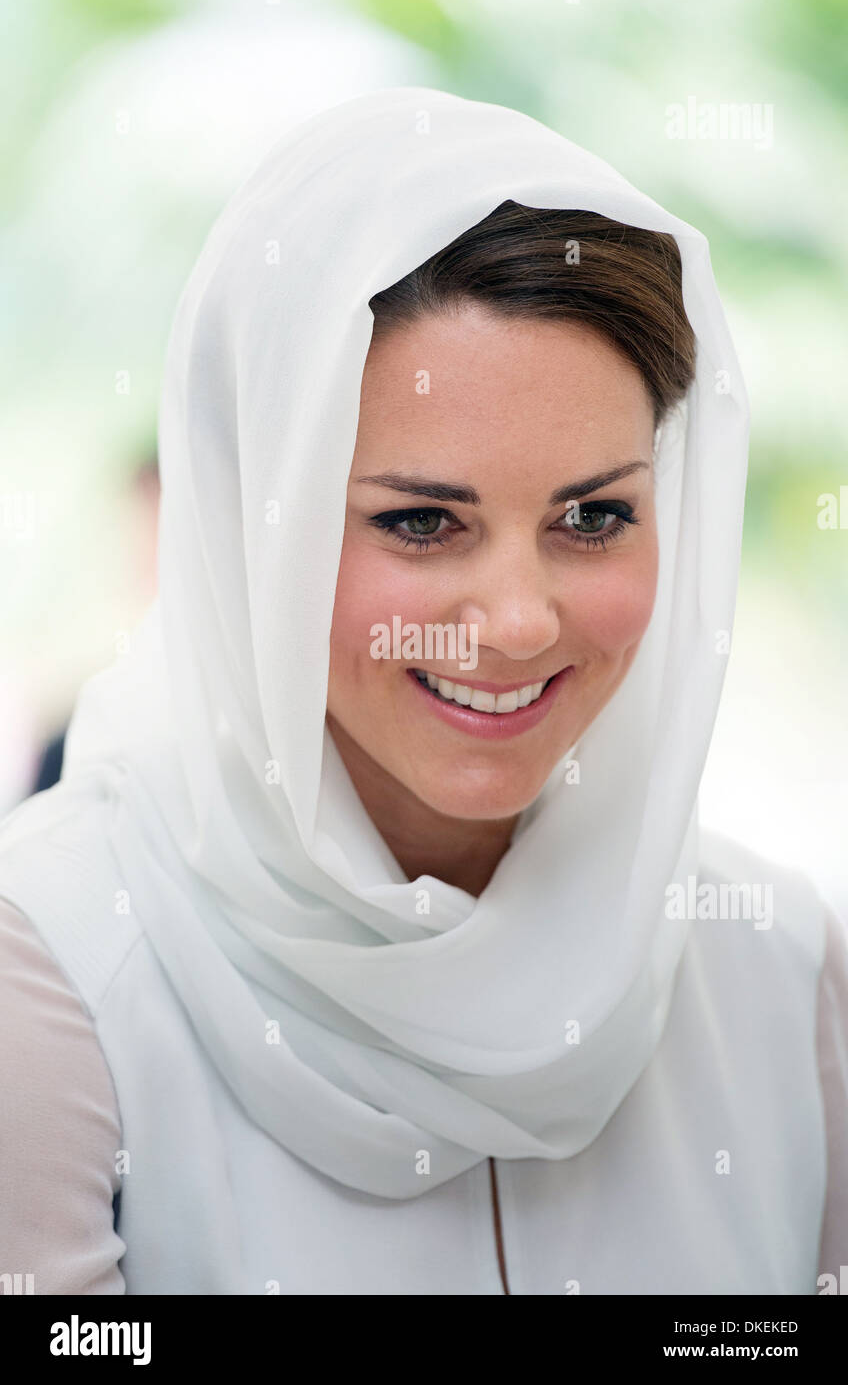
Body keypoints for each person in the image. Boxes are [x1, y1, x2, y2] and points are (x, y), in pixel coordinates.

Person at [0, 86, 845, 1296]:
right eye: (420, 521)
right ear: (256, 525)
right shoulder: (52, 973)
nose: (515, 619)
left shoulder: (782, 972)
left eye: (593, 515)